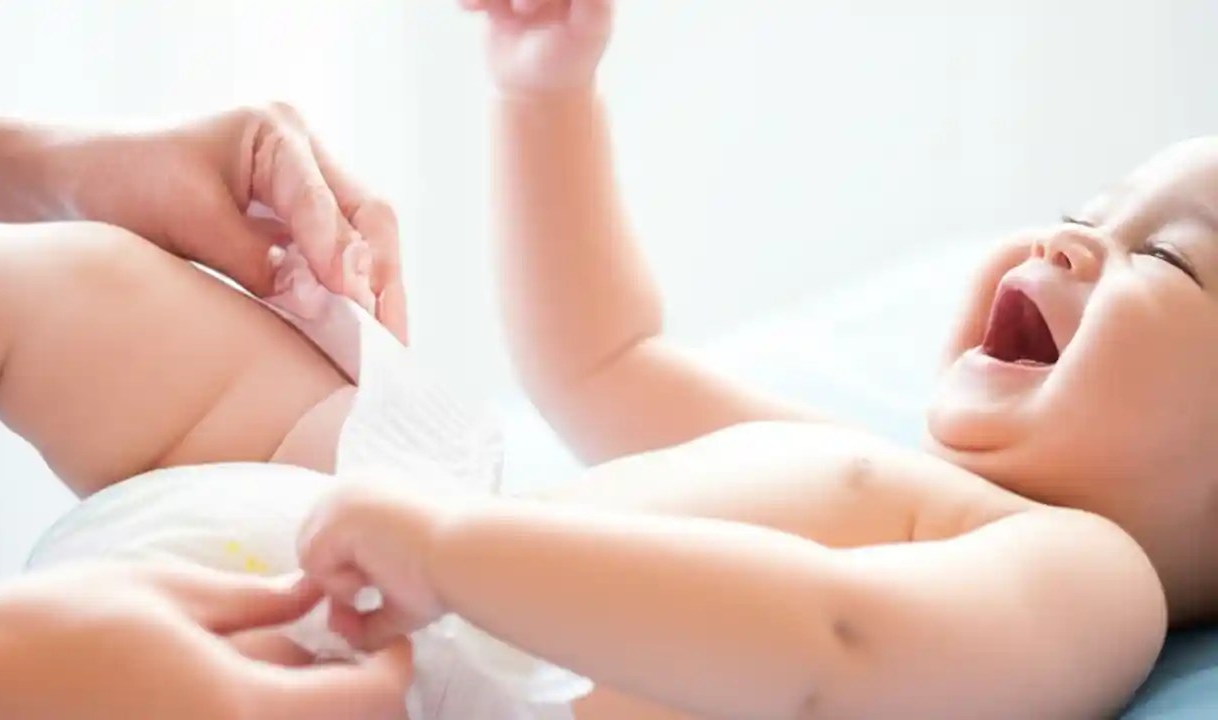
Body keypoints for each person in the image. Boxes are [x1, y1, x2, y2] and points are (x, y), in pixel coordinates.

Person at [292, 0, 1218, 717]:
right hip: (383, 589)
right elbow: (602, 362)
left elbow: (836, 645)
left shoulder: (1100, 577)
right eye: (1087, 210)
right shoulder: (877, 472)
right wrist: (545, 96)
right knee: (198, 325)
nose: (1064, 243)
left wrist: (454, 553)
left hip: (442, 675)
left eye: (1170, 257)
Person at [0, 103, 411, 718]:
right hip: (319, 500)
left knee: (72, 290)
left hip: (315, 485)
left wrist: (54, 168)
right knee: (70, 292)